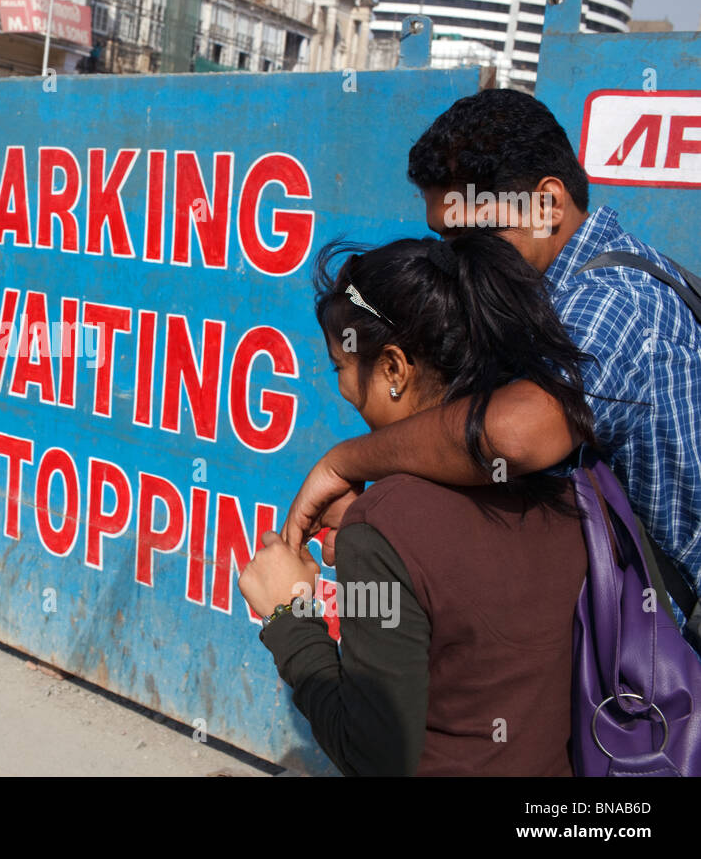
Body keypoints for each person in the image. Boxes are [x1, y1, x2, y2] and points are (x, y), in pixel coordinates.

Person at [279, 89, 701, 642]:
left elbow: (513, 437)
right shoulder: (553, 290)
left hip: (655, 678)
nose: (453, 262)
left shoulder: (612, 302)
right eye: (445, 240)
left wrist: (346, 462)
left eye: (469, 237)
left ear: (547, 206)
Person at [239, 232, 596, 776]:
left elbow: (376, 759)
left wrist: (288, 616)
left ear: (394, 370)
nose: (341, 390)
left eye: (341, 367)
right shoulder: (564, 484)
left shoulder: (383, 528)